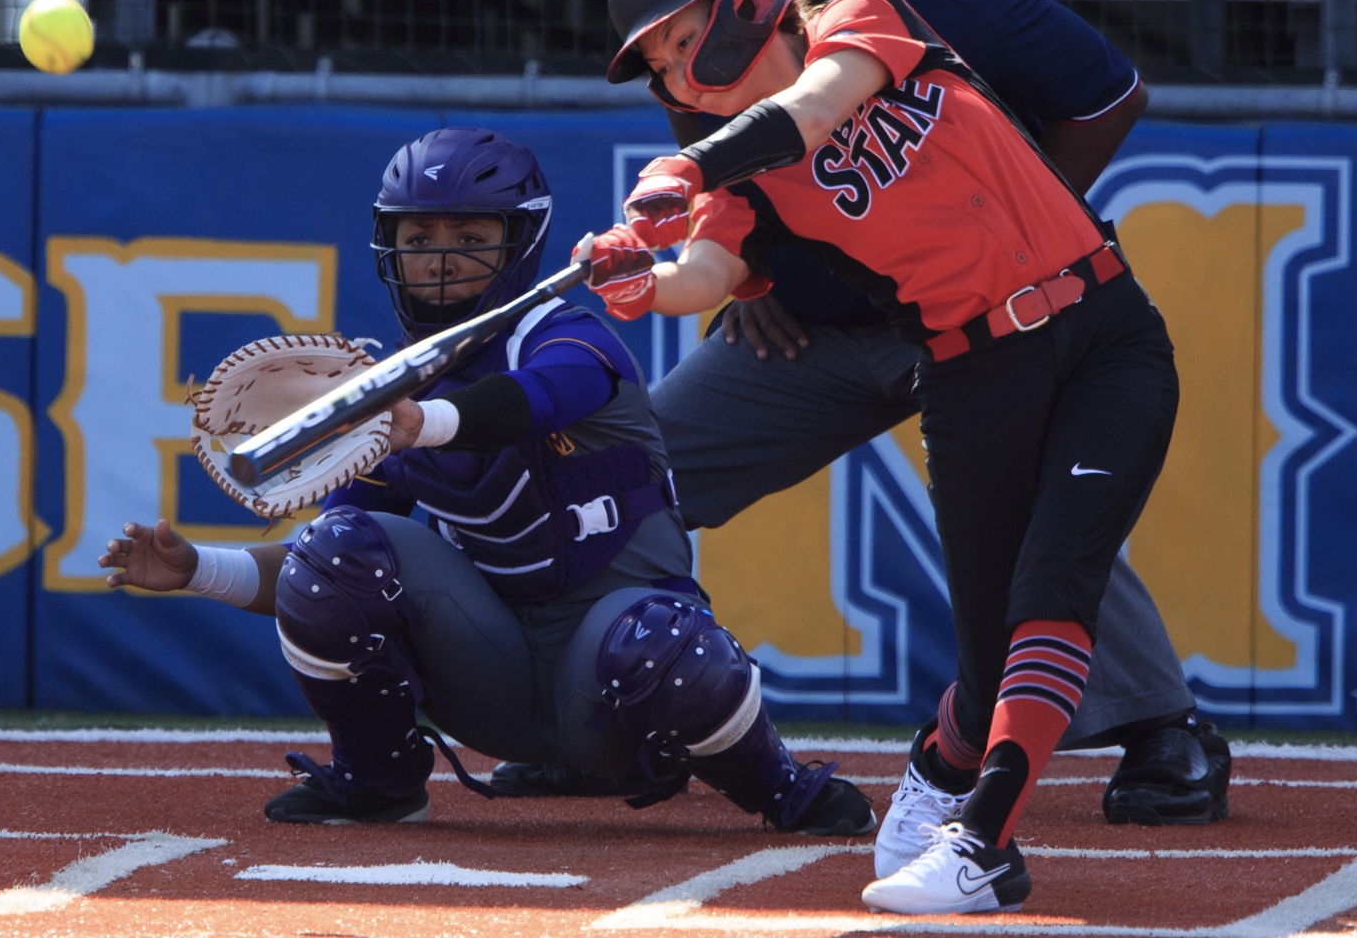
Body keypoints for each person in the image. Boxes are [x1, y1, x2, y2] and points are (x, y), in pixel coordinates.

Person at [492, 0, 1231, 850]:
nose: (673, 64)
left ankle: (1156, 725)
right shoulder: (687, 34)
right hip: (813, 332)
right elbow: (725, 219)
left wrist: (1000, 225)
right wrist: (683, 285)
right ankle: (592, 715)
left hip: (997, 316)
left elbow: (1106, 92)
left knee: (1043, 529)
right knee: (635, 466)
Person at [99, 126, 877, 836]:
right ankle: (378, 782)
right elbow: (325, 566)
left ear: (519, 245)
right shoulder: (392, 393)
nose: (439, 259)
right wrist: (197, 569)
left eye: (469, 237)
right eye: (419, 237)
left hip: (616, 681)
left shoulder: (570, 339)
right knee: (337, 550)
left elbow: (537, 401)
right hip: (491, 677)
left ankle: (782, 789)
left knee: (663, 642)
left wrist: (422, 422)